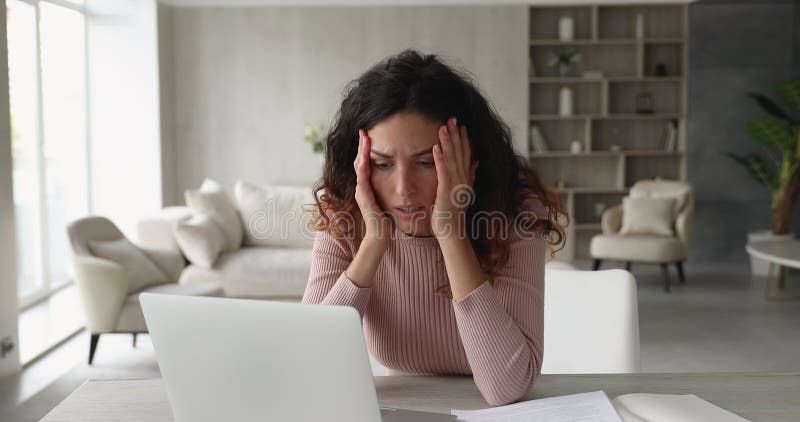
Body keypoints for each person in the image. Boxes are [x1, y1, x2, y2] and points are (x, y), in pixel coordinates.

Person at [301, 49, 567, 407]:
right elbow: (307, 366)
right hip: (406, 407)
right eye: (382, 164)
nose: (403, 189)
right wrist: (374, 243)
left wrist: (451, 232)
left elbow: (506, 387)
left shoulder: (514, 214)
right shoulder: (346, 214)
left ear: (469, 159)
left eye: (426, 162)